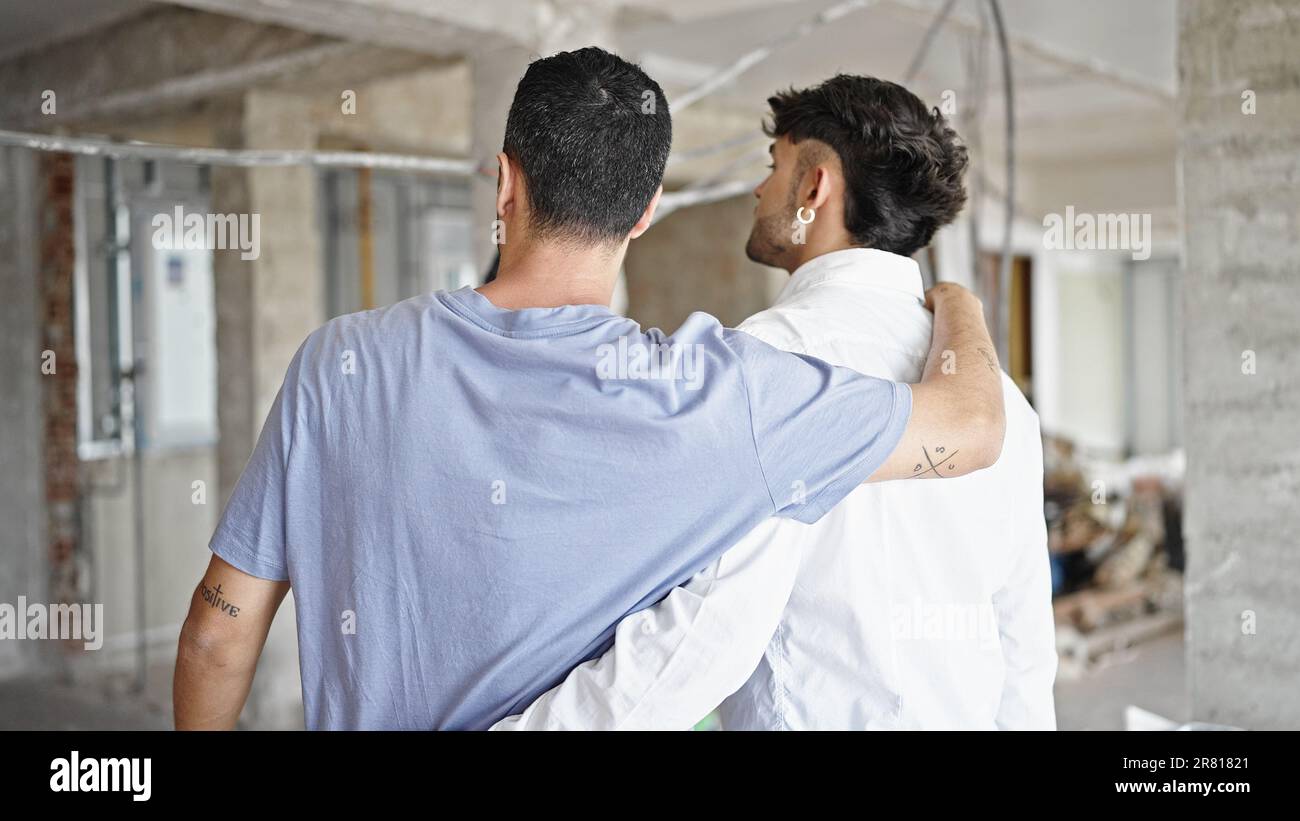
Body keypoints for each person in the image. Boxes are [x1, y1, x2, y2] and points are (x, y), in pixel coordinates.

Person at [173, 50, 1004, 731]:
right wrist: (954, 299)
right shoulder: (721, 399)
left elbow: (217, 633)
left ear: (504, 184)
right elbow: (971, 428)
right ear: (644, 214)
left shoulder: (337, 364)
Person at [495, 75, 1055, 731]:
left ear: (814, 188)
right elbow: (1024, 645)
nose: (760, 190)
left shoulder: (763, 360)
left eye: (774, 166)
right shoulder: (1002, 400)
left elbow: (708, 630)